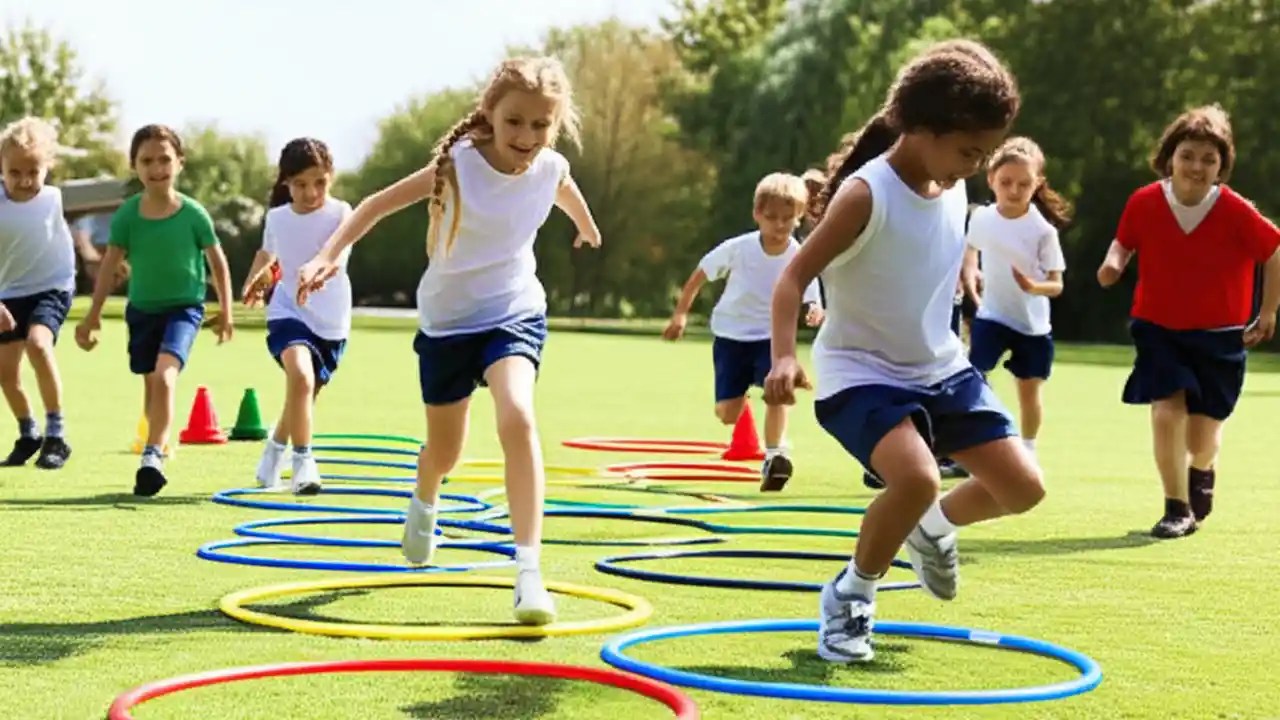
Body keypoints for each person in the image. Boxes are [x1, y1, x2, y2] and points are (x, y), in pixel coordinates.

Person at [296, 57, 602, 625]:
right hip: (448, 323)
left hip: (514, 310)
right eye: (514, 122)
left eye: (541, 126)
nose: (527, 138)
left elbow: (565, 189)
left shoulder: (550, 166)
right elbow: (372, 207)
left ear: (554, 126)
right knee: (446, 452)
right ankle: (425, 494)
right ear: (489, 114)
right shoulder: (459, 165)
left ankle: (529, 573)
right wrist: (325, 256)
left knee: (518, 415)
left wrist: (586, 226)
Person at [765, 39, 1044, 663]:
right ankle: (851, 594)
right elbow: (793, 275)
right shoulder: (867, 195)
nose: (974, 167)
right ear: (922, 128)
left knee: (1024, 489)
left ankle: (932, 526)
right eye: (968, 151)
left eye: (983, 153)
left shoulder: (950, 190)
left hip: (939, 367)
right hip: (860, 375)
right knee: (915, 478)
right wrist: (784, 355)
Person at [1097, 104, 1280, 539]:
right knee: (1165, 411)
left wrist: (1268, 310)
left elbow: (1274, 251)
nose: (1196, 166)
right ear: (1169, 158)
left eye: (1208, 159)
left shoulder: (1235, 210)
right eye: (1187, 155)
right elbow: (1124, 243)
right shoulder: (1144, 201)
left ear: (1221, 167)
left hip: (1218, 338)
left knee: (1202, 438)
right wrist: (1112, 264)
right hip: (1158, 327)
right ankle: (1175, 507)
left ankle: (1202, 469)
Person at [75, 124, 235, 497]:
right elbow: (110, 267)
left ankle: (151, 457)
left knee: (165, 377)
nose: (156, 167)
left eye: (165, 159)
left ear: (180, 163)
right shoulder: (128, 216)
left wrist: (226, 311)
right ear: (135, 166)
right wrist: (92, 315)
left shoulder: (194, 214)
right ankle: (158, 442)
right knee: (151, 387)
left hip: (184, 309)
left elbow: (219, 264)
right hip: (142, 312)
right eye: (147, 160)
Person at [663, 172, 823, 491]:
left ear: (799, 217)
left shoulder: (798, 255)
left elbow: (811, 289)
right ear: (757, 215)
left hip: (772, 337)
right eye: (772, 217)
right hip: (731, 335)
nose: (780, 225)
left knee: (777, 394)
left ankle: (776, 455)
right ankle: (741, 396)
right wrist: (680, 314)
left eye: (788, 219)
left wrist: (815, 309)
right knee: (727, 414)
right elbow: (699, 276)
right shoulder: (738, 249)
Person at [243, 138, 352, 495]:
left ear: (331, 177)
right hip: (288, 312)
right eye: (301, 184)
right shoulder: (277, 217)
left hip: (331, 320)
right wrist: (254, 280)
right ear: (286, 182)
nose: (311, 192)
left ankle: (274, 454)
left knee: (304, 393)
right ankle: (304, 462)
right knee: (302, 379)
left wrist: (314, 272)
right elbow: (268, 255)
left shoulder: (341, 214)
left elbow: (336, 260)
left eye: (320, 182)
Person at [963, 136, 1071, 459]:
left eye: (1023, 184)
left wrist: (1032, 287)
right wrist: (970, 279)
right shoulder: (982, 217)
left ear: (1036, 184)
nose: (1013, 190)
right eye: (1006, 182)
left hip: (1032, 326)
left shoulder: (1042, 231)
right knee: (969, 376)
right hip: (992, 315)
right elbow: (970, 252)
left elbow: (1056, 285)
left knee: (1028, 393)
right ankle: (974, 442)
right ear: (991, 179)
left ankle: (1027, 451)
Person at [0, 117, 76, 469]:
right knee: (6, 374)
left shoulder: (54, 199)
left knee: (39, 344)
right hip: (8, 292)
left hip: (52, 287)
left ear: (48, 167)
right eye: (15, 172)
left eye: (34, 171)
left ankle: (56, 436)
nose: (25, 180)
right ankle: (28, 433)